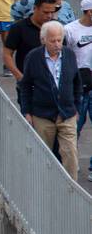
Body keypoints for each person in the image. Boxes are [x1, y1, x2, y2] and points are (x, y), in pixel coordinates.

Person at [18, 21, 82, 182]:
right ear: (43, 40)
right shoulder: (33, 57)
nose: (57, 44)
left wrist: (76, 109)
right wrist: (26, 112)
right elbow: (25, 86)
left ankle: (70, 190)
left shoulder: (69, 55)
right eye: (52, 40)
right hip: (42, 116)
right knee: (43, 155)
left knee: (71, 153)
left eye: (59, 40)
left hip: (67, 114)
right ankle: (42, 186)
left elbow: (77, 83)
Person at [3, 0, 58, 106]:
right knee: (28, 121)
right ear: (35, 8)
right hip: (28, 86)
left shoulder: (56, 28)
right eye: (46, 12)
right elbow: (7, 54)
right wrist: (19, 76)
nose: (49, 16)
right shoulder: (19, 28)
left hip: (53, 85)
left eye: (52, 12)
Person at [63, 0, 92, 183]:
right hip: (79, 87)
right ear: (89, 12)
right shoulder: (69, 30)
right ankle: (72, 165)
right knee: (73, 129)